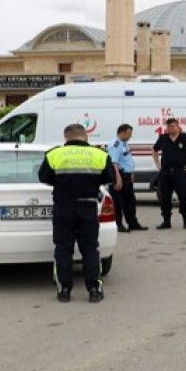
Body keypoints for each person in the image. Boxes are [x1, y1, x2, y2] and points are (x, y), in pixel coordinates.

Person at [38, 124, 115, 303]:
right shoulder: (100, 155)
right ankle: (94, 290)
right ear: (85, 136)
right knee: (90, 249)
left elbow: (43, 177)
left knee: (63, 249)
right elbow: (109, 177)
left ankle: (64, 290)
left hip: (63, 208)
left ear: (66, 137)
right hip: (88, 208)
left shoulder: (54, 154)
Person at [152, 118, 186, 230]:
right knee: (165, 198)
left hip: (180, 172)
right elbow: (154, 150)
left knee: (184, 198)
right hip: (165, 172)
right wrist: (157, 163)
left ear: (178, 126)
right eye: (168, 126)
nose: (171, 128)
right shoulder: (163, 138)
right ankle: (166, 221)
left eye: (173, 126)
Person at [107, 124, 148, 233]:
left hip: (126, 176)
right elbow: (114, 163)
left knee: (130, 201)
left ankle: (132, 223)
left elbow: (127, 160)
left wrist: (131, 174)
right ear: (122, 132)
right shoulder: (114, 145)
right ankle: (118, 224)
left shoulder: (124, 144)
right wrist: (118, 178)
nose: (130, 136)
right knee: (118, 202)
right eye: (129, 134)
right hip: (119, 175)